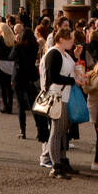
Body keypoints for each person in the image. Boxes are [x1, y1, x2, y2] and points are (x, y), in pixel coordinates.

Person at [39, 27, 77, 178]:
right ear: (61, 39)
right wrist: (73, 80)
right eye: (70, 39)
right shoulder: (54, 54)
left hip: (63, 96)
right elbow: (53, 77)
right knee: (56, 131)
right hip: (57, 96)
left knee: (61, 131)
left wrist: (76, 57)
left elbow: (68, 71)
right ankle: (56, 166)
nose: (73, 41)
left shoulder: (64, 54)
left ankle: (62, 160)